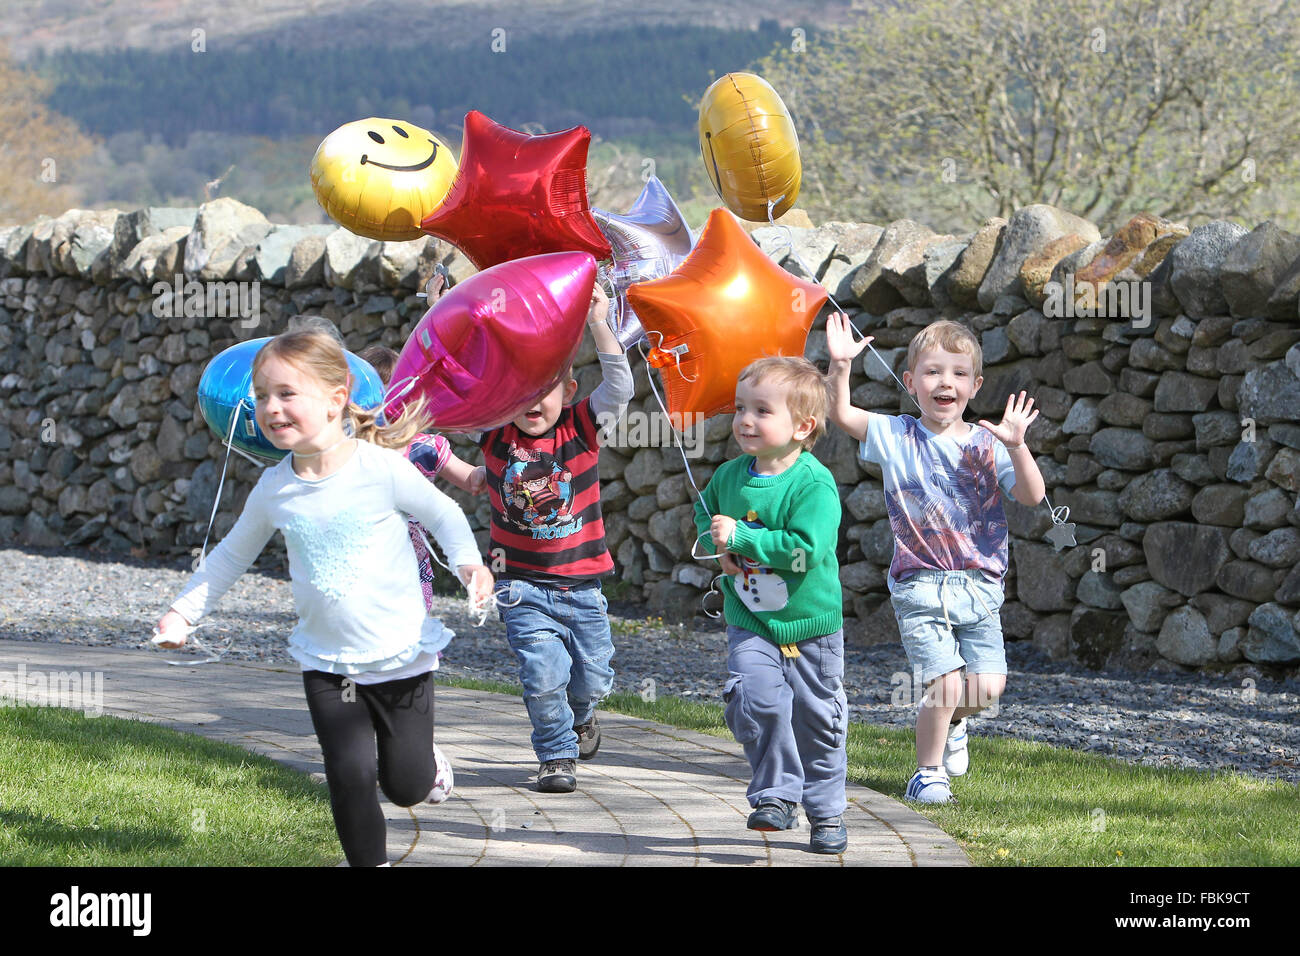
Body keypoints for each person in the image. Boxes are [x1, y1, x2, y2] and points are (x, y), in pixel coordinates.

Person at [154, 327, 493, 866]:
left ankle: (426, 764)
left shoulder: (380, 468)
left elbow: (445, 514)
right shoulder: (274, 487)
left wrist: (471, 565)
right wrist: (182, 612)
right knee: (349, 774)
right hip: (328, 663)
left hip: (402, 657)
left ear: (337, 399)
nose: (271, 407)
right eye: (262, 395)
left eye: (287, 394)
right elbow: (229, 556)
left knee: (405, 785)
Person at [825, 313, 1044, 804]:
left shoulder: (991, 442)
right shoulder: (896, 435)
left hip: (981, 586)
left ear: (975, 385)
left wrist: (1019, 446)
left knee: (987, 687)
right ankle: (927, 772)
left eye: (958, 373)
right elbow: (841, 414)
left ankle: (954, 723)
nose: (945, 381)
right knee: (944, 682)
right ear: (910, 383)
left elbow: (1032, 496)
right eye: (932, 371)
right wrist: (840, 366)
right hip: (920, 583)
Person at [468, 285, 633, 794]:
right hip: (520, 586)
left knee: (595, 677)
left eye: (546, 387)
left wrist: (599, 321)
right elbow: (459, 384)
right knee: (542, 675)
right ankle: (557, 755)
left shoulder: (582, 427)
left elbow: (621, 388)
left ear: (569, 388)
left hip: (582, 586)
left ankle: (582, 714)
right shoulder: (494, 433)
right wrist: (443, 314)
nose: (533, 400)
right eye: (521, 388)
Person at [692, 356, 849, 855]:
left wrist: (742, 536)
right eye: (741, 408)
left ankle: (825, 811)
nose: (745, 420)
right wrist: (719, 547)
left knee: (817, 719)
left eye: (762, 410)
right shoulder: (729, 476)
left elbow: (807, 551)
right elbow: (706, 511)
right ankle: (776, 795)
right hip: (751, 620)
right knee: (756, 700)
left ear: (802, 427)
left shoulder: (812, 484)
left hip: (811, 627)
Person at [359, 343, 486, 616]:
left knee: (415, 636)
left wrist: (494, 469)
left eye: (393, 395)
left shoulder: (427, 448)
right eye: (373, 397)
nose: (384, 407)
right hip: (359, 567)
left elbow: (471, 480)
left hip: (411, 569)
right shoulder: (348, 449)